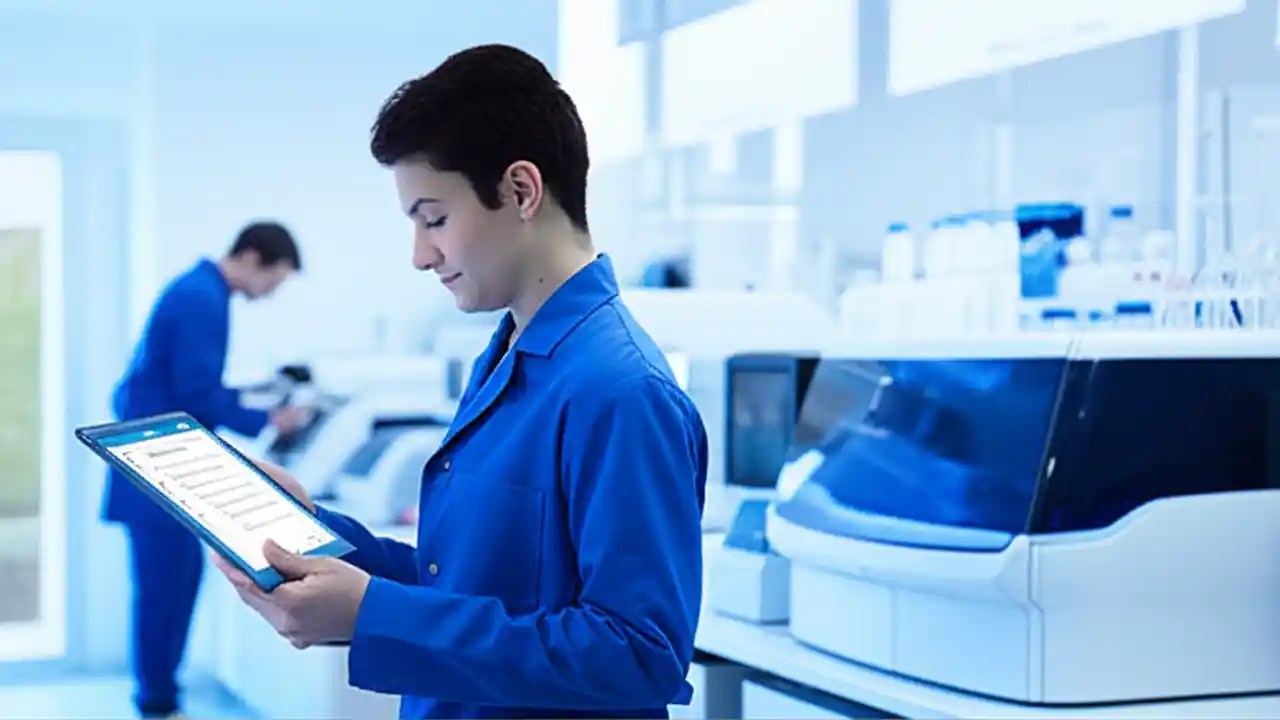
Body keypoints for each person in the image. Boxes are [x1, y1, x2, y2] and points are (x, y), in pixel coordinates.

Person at [213, 44, 708, 719]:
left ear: (521, 191)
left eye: (435, 220)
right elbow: (471, 585)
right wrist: (317, 535)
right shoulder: (509, 355)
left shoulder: (622, 391)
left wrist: (373, 617)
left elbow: (637, 655)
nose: (421, 256)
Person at [103, 221, 313, 719]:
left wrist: (247, 400)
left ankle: (158, 697)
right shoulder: (204, 299)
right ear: (254, 259)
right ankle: (157, 702)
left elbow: (178, 383)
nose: (271, 293)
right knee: (166, 591)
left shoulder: (195, 290)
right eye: (276, 280)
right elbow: (196, 393)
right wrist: (267, 419)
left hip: (155, 465)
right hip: (159, 471)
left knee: (168, 586)